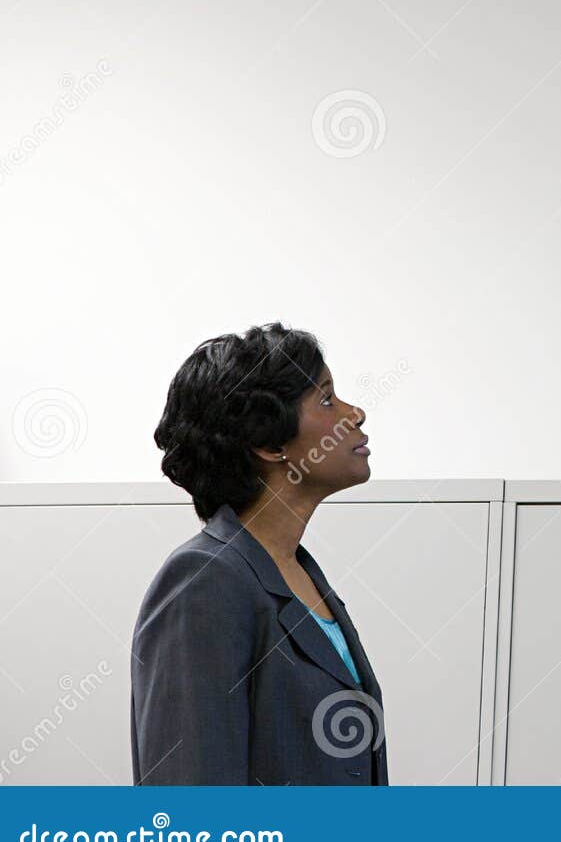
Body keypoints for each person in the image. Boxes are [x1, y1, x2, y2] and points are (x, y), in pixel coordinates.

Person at [131, 322, 387, 785]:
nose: (357, 412)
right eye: (327, 399)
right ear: (269, 444)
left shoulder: (301, 573)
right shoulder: (204, 581)